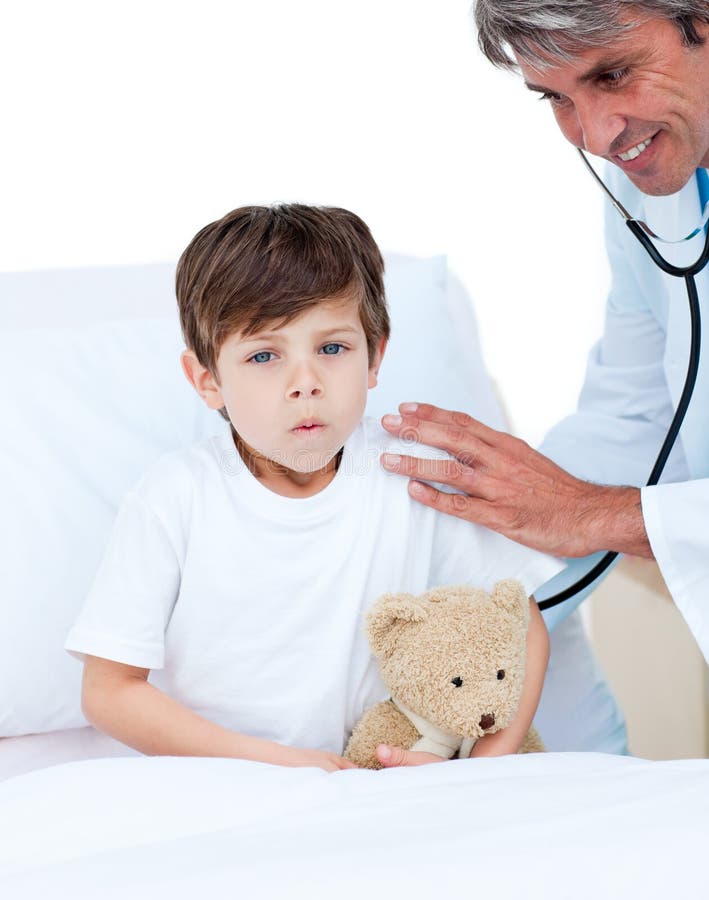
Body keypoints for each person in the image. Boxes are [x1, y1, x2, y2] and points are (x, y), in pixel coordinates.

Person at [64, 204, 562, 772]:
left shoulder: (410, 473)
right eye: (264, 356)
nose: (305, 384)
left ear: (374, 355)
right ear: (207, 380)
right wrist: (279, 764)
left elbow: (519, 624)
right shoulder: (175, 498)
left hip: (387, 782)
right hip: (227, 782)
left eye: (331, 349)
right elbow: (109, 691)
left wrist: (485, 767)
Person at [379, 0, 709, 665]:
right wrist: (447, 623)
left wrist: (600, 514)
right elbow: (635, 418)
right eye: (555, 98)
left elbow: (591, 499)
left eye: (611, 75)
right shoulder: (652, 194)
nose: (594, 134)